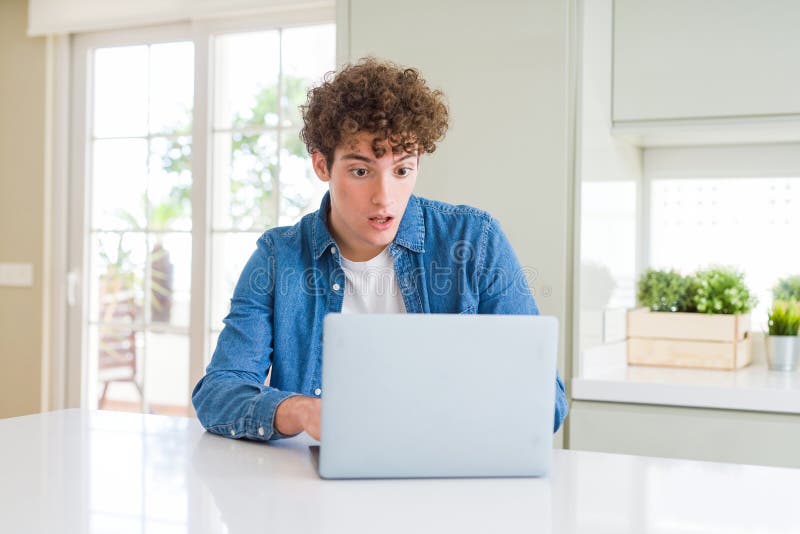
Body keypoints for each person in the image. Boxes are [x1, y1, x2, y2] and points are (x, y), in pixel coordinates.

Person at [192, 57, 568, 441]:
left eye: (402, 171)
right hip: (312, 486)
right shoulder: (278, 257)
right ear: (323, 165)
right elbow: (218, 392)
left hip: (449, 479)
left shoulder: (474, 241)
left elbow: (547, 401)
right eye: (361, 171)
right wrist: (302, 411)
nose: (384, 197)